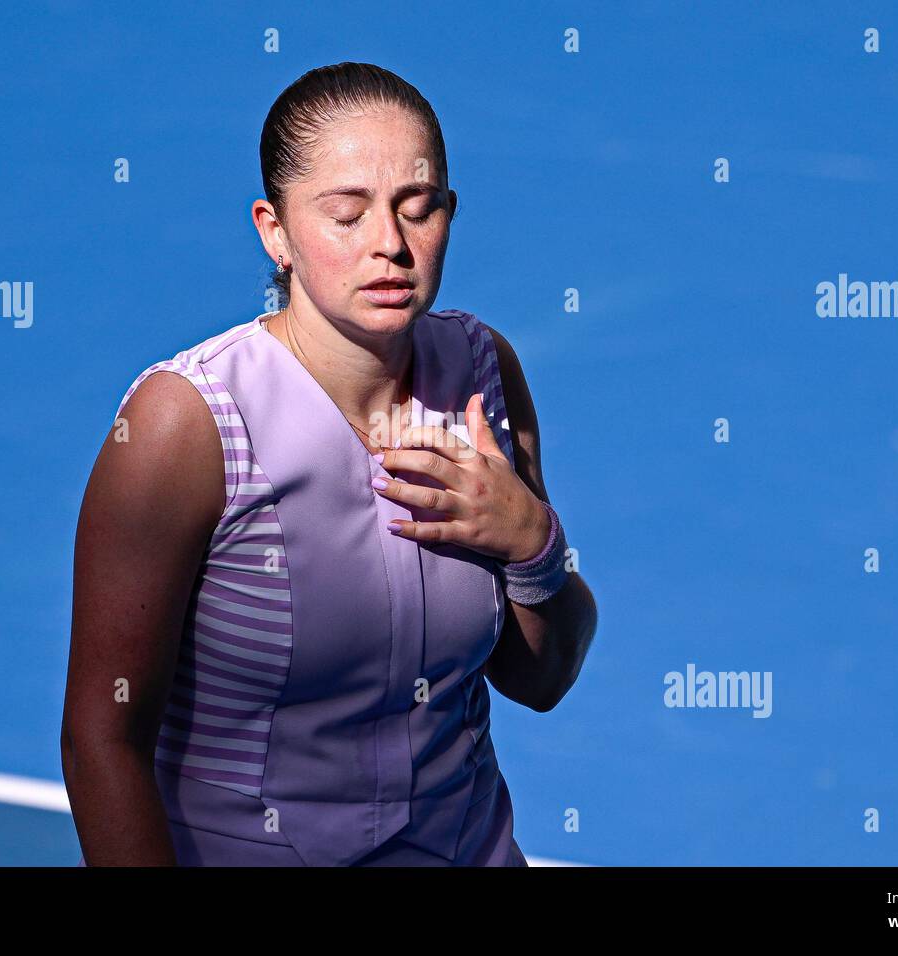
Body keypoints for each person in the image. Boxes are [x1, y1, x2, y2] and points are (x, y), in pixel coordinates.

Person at [61, 62, 597, 866]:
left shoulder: (486, 372)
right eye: (346, 214)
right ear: (273, 231)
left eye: (418, 210)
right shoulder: (183, 426)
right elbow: (101, 740)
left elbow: (542, 679)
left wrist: (531, 542)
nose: (390, 244)